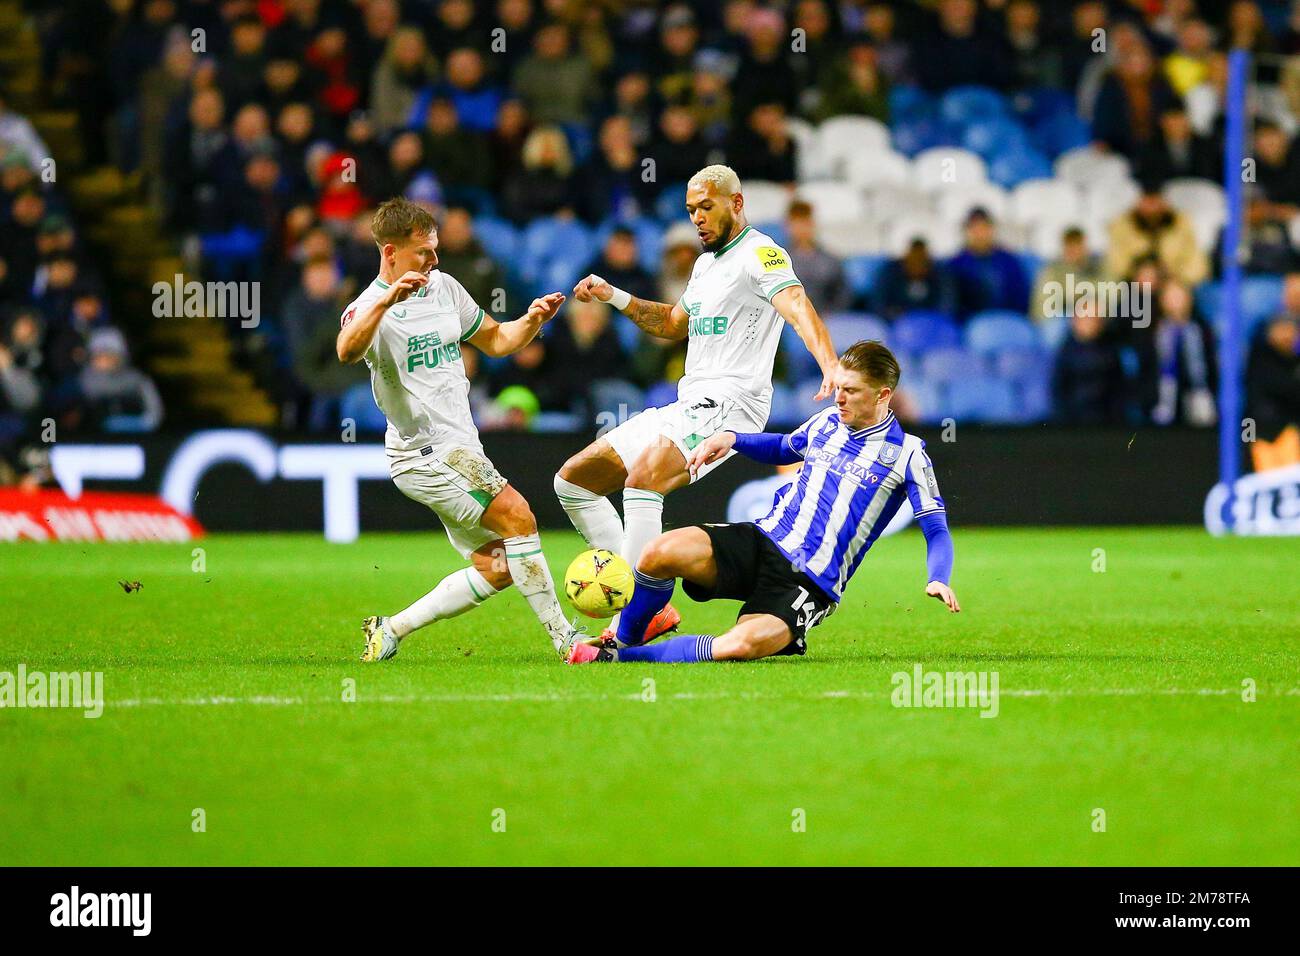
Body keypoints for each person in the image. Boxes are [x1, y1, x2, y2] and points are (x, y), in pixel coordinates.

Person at [555, 165, 838, 646]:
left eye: (707, 207)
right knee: (573, 481)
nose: (698, 219)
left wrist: (828, 361)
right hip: (690, 401)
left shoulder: (761, 253)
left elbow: (796, 303)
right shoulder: (706, 265)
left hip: (732, 404)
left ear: (737, 202)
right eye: (691, 211)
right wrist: (612, 295)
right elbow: (673, 323)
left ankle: (624, 629)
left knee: (644, 478)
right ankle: (650, 602)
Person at [567, 340, 958, 665]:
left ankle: (627, 660)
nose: (838, 398)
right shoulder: (826, 423)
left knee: (739, 646)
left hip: (808, 582)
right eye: (838, 387)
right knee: (657, 553)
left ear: (883, 395)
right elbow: (785, 447)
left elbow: (936, 528)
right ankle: (622, 643)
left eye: (850, 391)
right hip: (762, 541)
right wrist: (733, 438)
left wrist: (937, 577)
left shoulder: (907, 455)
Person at [336, 197, 582, 662]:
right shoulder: (368, 305)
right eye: (422, 252)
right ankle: (568, 643)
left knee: (501, 564)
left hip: (461, 447)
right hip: (425, 453)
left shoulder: (445, 287)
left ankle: (390, 630)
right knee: (519, 517)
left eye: (434, 249)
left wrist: (531, 320)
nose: (434, 259)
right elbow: (346, 350)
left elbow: (496, 340)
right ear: (390, 252)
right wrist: (387, 300)